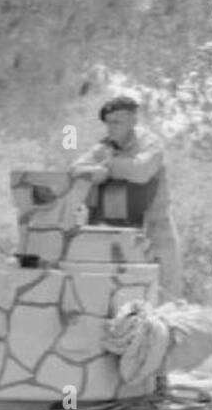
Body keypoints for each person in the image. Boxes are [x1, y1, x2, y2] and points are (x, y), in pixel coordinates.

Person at [69, 92, 183, 298]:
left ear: (133, 121)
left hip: (155, 228)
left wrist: (109, 167)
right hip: (117, 230)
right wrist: (96, 172)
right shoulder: (104, 146)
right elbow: (76, 169)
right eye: (108, 122)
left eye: (117, 122)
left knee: (164, 293)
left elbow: (141, 171)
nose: (111, 127)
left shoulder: (150, 143)